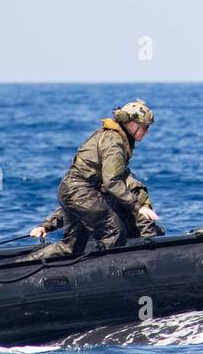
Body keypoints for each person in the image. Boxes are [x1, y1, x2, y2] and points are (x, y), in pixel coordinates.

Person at [25, 99, 160, 260]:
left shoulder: (109, 136)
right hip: (79, 191)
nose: (146, 132)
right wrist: (138, 207)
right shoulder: (114, 143)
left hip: (72, 190)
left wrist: (46, 224)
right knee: (115, 231)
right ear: (131, 123)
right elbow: (110, 182)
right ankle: (107, 273)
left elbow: (87, 198)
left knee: (71, 246)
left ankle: (23, 264)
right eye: (145, 127)